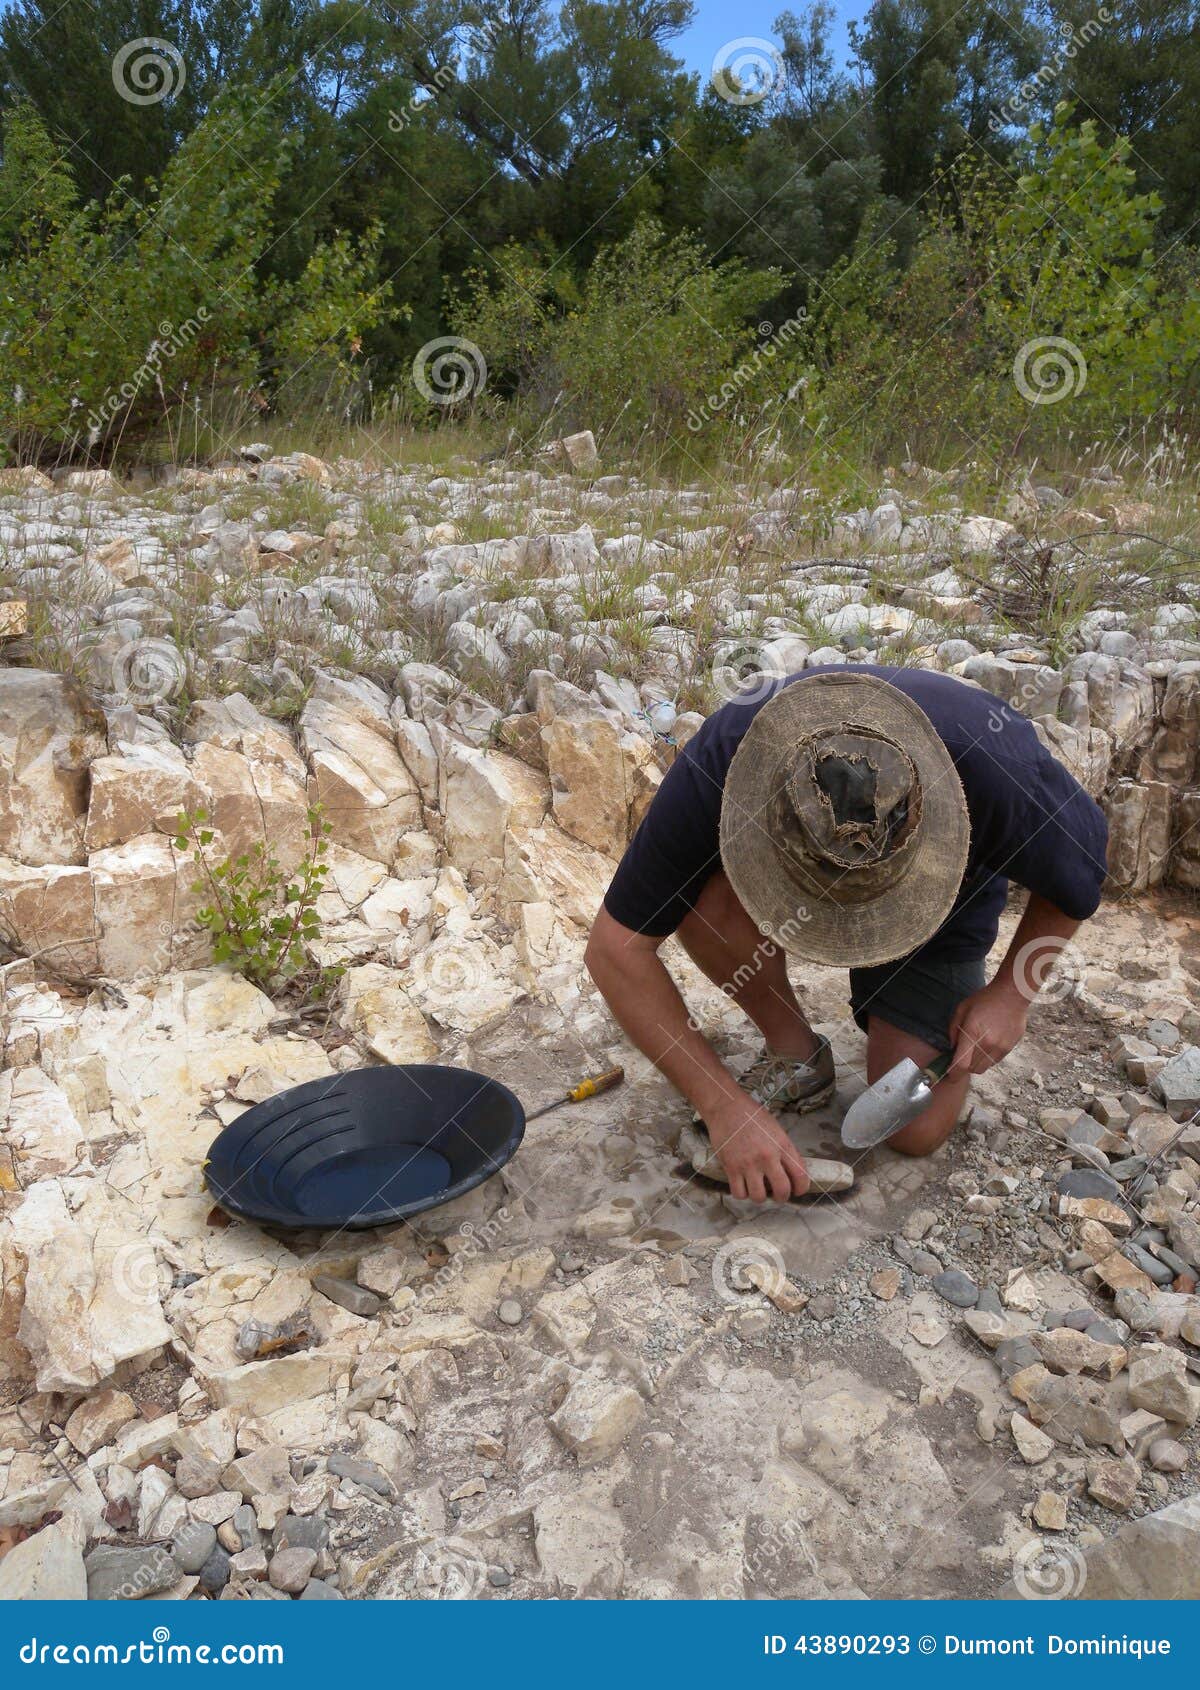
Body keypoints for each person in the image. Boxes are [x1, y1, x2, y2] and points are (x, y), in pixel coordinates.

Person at [585, 665, 1109, 1204]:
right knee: (700, 896)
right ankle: (796, 1052)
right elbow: (613, 951)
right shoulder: (726, 759)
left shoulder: (1000, 772)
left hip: (941, 898)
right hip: (771, 851)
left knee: (914, 1131)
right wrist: (724, 1108)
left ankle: (903, 970)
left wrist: (1011, 994)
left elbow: (1085, 870)